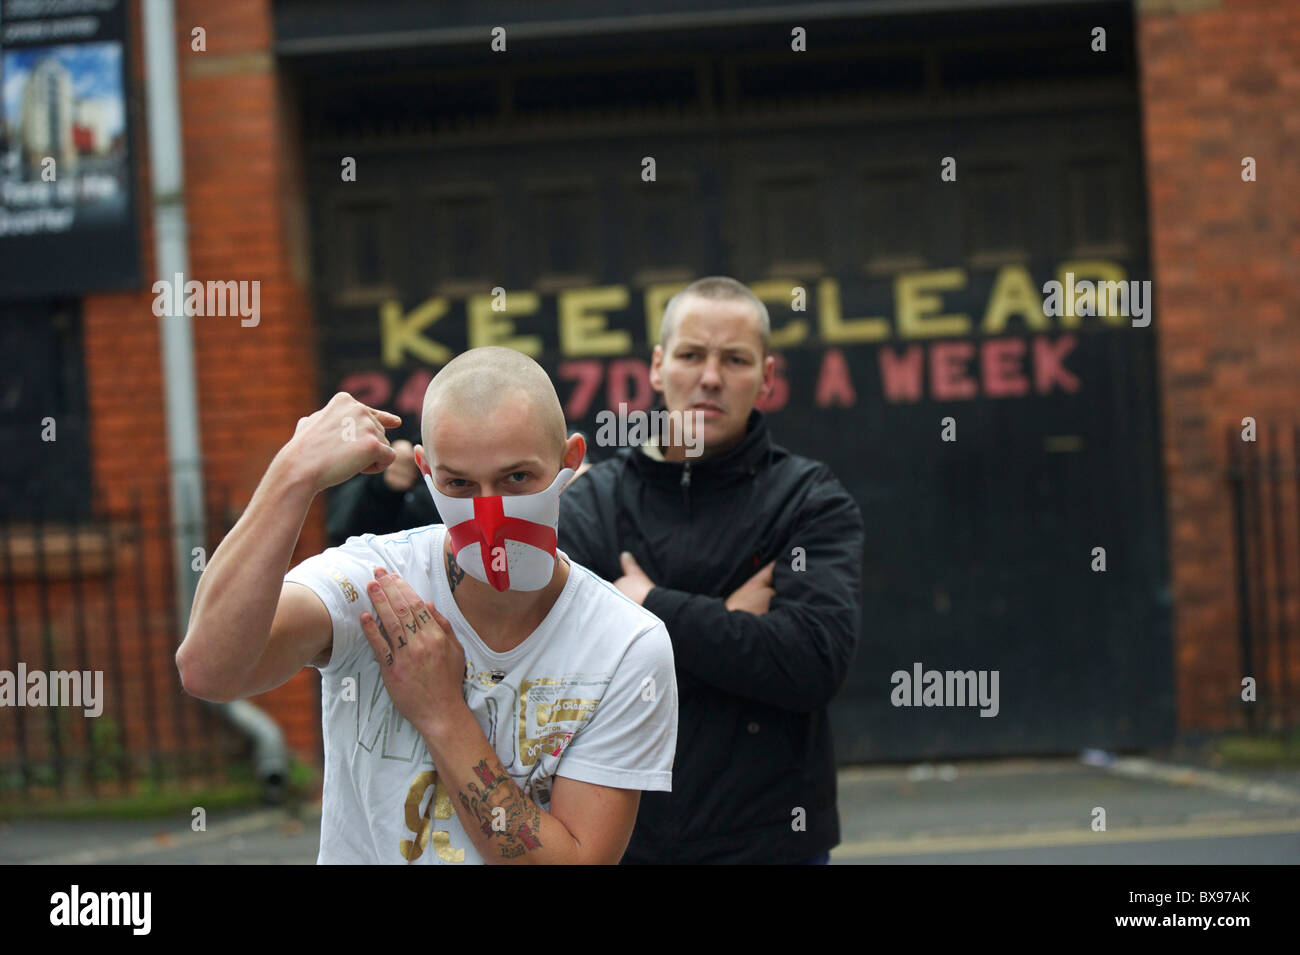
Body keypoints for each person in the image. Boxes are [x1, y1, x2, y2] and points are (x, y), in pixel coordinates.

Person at [176, 347, 678, 864]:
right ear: (425, 471)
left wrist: (441, 713)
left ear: (569, 462)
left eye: (516, 479)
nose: (490, 514)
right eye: (459, 483)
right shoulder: (374, 583)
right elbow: (209, 669)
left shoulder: (625, 644)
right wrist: (292, 475)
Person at [558, 276, 864, 865]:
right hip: (622, 845)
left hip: (771, 844)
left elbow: (811, 663)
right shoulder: (591, 502)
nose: (711, 377)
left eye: (736, 359)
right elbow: (570, 671)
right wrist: (726, 621)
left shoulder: (809, 501)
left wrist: (649, 608)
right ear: (656, 365)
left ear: (767, 376)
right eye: (692, 354)